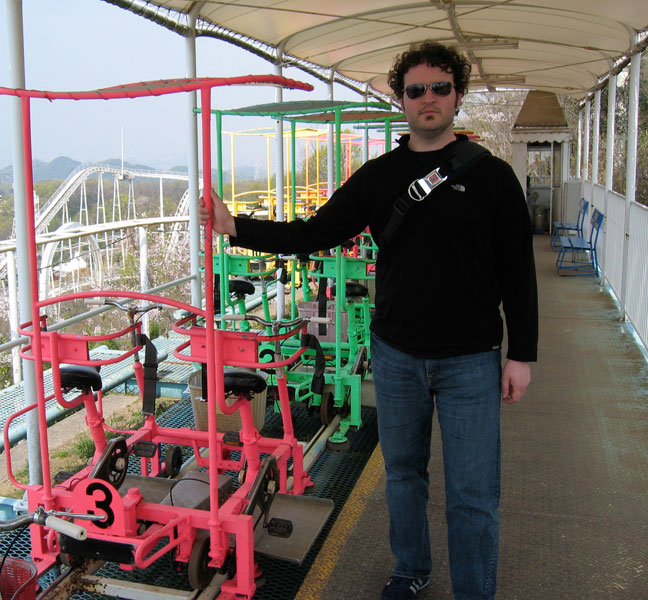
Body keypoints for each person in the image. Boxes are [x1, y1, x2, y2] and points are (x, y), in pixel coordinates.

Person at [200, 41, 537, 600]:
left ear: (457, 95)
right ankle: (411, 571)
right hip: (397, 353)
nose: (428, 99)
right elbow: (315, 233)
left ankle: (476, 591)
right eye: (415, 90)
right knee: (403, 476)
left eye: (440, 88)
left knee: (473, 492)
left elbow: (518, 271)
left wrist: (521, 353)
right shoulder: (380, 177)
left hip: (471, 359)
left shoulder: (493, 178)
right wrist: (237, 226)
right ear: (399, 98)